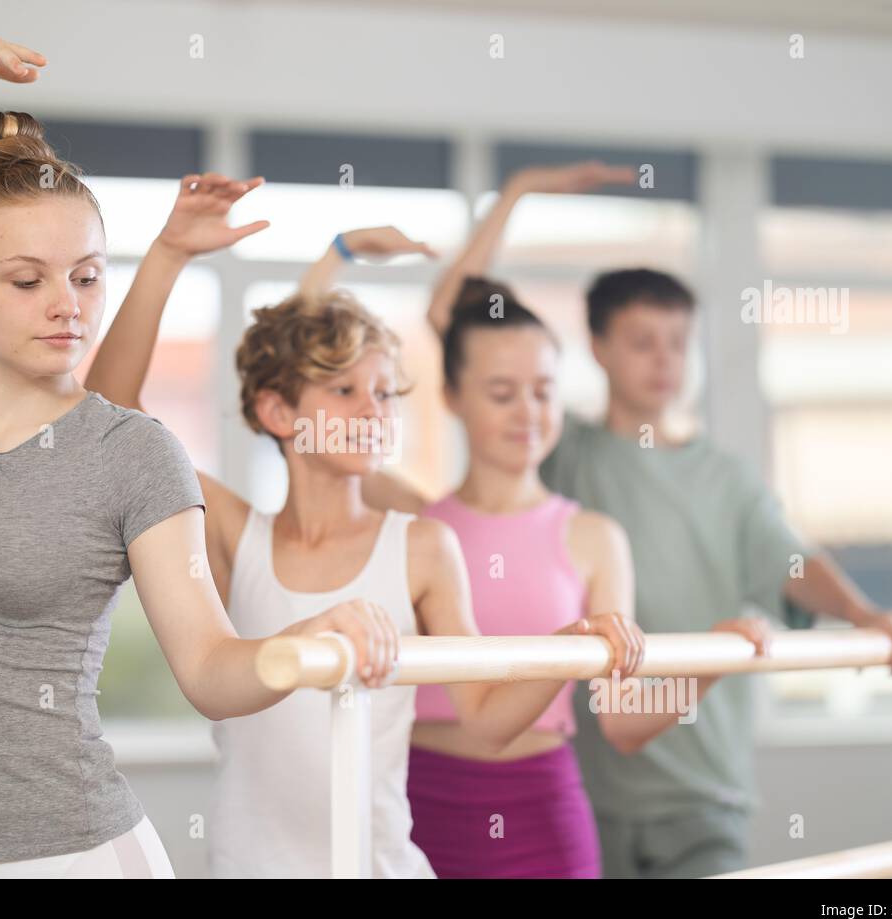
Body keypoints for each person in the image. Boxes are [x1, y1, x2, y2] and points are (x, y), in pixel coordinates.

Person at [0, 23, 394, 878]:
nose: (66, 305)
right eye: (27, 279)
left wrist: (308, 638)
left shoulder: (135, 454)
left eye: (86, 275)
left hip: (70, 852)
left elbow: (210, 667)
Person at [83, 201, 647, 877]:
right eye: (345, 389)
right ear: (277, 412)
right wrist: (170, 255)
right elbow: (111, 412)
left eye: (384, 394)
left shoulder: (423, 547)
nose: (373, 412)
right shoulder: (235, 535)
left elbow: (487, 717)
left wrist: (568, 646)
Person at [418, 163, 892, 877]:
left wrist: (864, 613)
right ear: (597, 348)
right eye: (642, 342)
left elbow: (794, 563)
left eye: (678, 343)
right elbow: (456, 322)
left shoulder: (728, 479)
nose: (664, 361)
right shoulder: (565, 452)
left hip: (701, 786)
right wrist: (516, 196)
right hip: (588, 789)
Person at [310, 230, 769, 877]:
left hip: (544, 809)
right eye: (502, 393)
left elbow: (623, 724)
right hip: (416, 808)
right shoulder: (411, 520)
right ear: (451, 398)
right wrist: (338, 255)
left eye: (545, 391)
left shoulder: (594, 537)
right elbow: (293, 377)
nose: (527, 412)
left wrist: (717, 658)